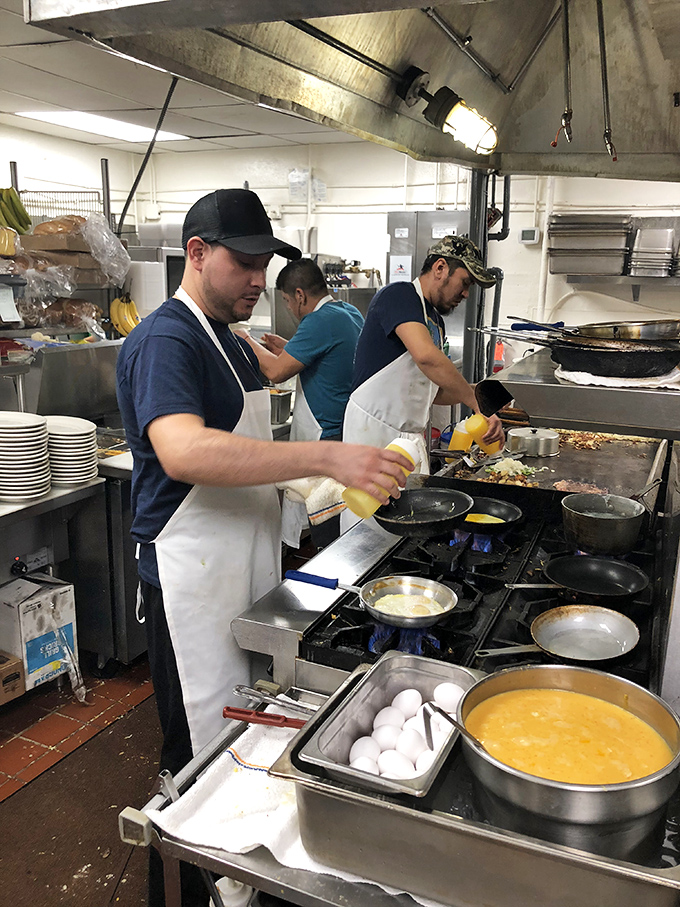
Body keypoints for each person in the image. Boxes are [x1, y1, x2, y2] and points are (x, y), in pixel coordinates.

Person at [115, 188, 413, 907]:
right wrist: (326, 460)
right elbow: (183, 450)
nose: (259, 280)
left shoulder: (229, 340)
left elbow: (247, 445)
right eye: (245, 263)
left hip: (237, 571)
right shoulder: (168, 338)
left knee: (237, 741)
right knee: (193, 761)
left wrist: (320, 491)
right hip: (190, 582)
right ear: (196, 253)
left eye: (264, 265)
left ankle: (231, 886)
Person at [343, 235, 504, 498]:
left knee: (407, 522)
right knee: (370, 523)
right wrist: (477, 402)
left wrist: (487, 398)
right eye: (465, 283)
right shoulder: (399, 295)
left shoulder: (434, 321)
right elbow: (427, 357)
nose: (465, 294)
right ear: (440, 268)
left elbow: (433, 392)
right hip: (374, 433)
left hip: (408, 440)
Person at [238, 258, 363, 547]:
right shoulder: (347, 312)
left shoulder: (318, 321)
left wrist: (245, 339)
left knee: (327, 530)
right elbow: (324, 356)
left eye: (285, 300)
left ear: (299, 295)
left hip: (326, 437)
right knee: (339, 523)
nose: (288, 308)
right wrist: (286, 347)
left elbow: (276, 371)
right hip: (347, 432)